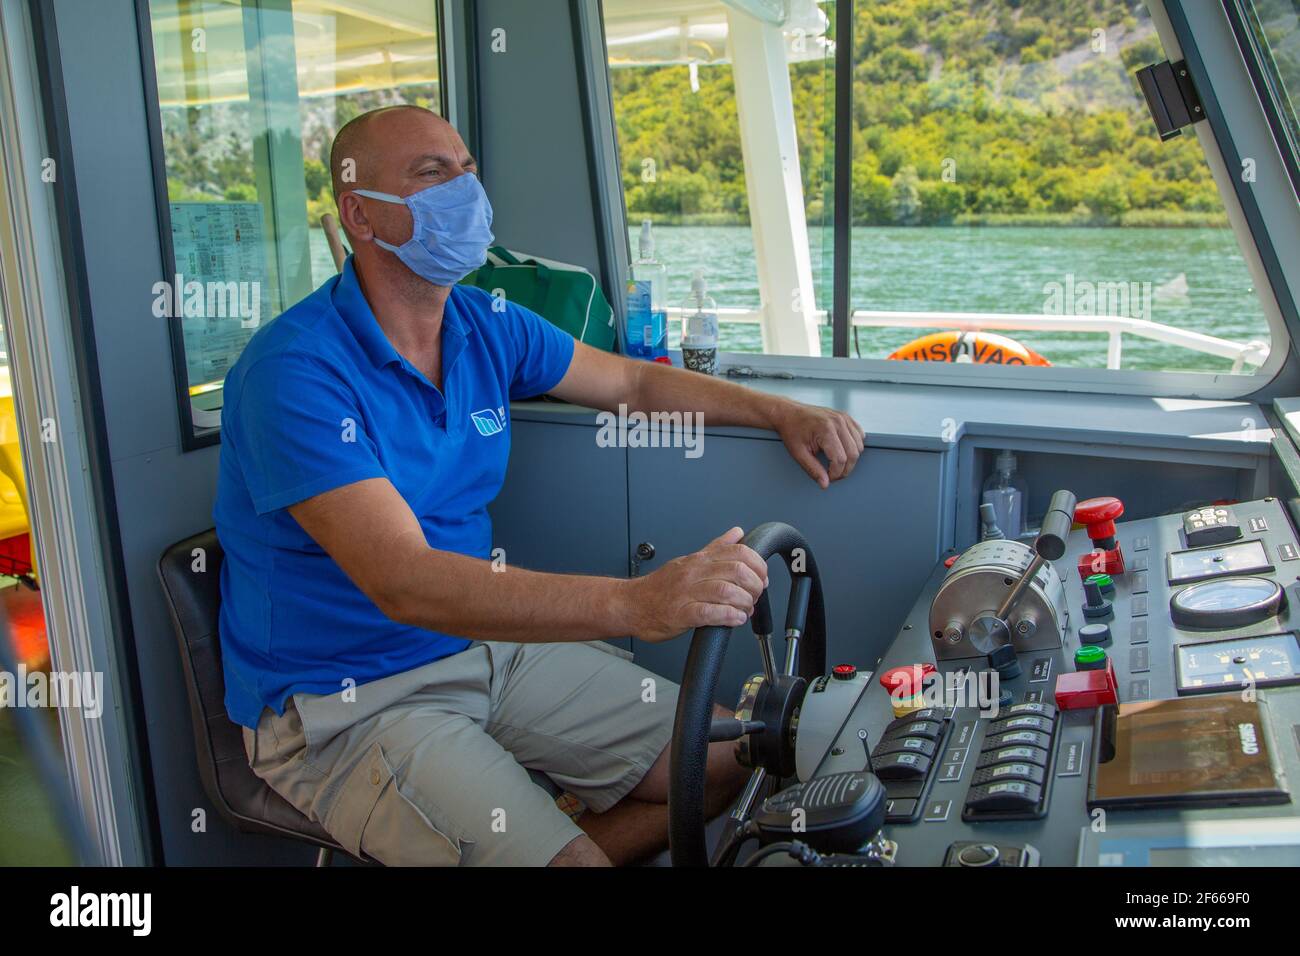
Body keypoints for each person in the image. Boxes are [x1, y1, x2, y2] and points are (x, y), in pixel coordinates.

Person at [214, 104, 866, 866]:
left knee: (722, 759)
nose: (465, 193)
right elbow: (405, 583)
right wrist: (636, 603)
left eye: (467, 171)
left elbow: (632, 383)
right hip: (350, 698)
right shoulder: (294, 372)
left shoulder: (486, 322)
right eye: (432, 175)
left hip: (482, 646)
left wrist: (777, 411)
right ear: (360, 214)